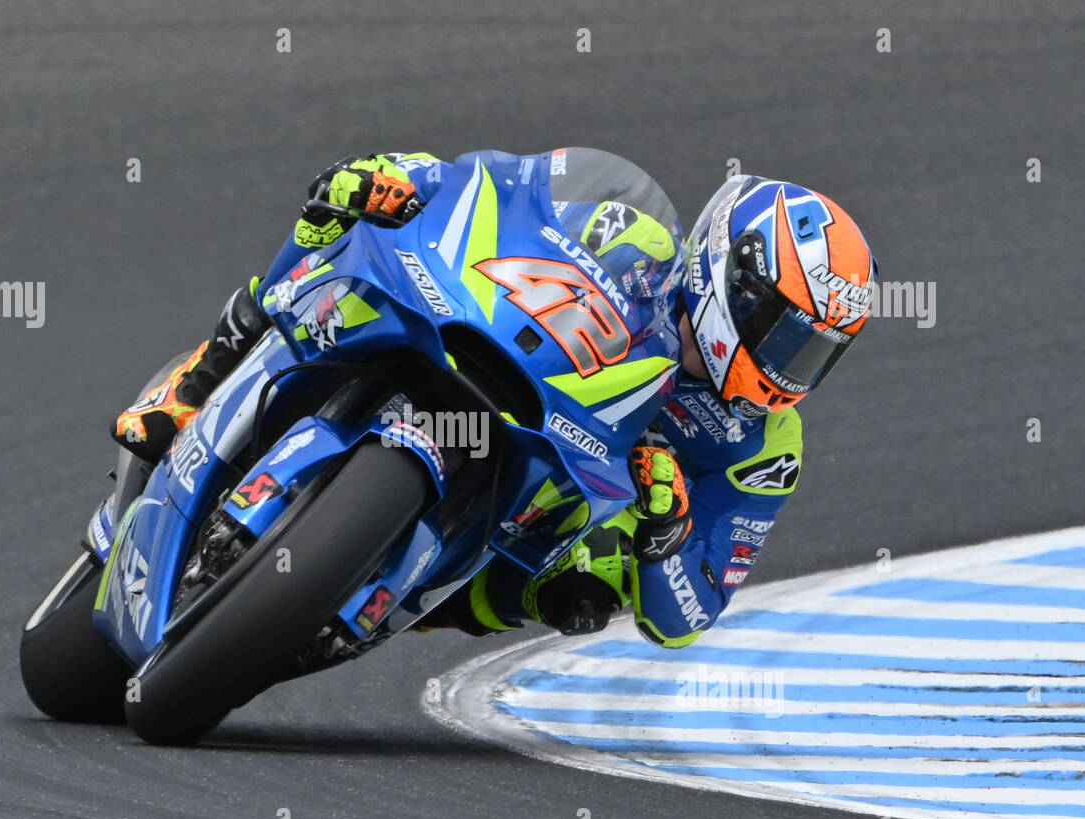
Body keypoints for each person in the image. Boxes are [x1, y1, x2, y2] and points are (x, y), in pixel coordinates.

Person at [112, 150, 877, 647]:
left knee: (582, 590)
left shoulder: (766, 447)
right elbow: (502, 185)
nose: (791, 368)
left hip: (552, 515)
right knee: (346, 209)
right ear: (730, 278)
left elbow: (690, 612)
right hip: (509, 368)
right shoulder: (635, 238)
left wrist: (667, 526)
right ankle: (204, 379)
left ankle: (394, 579)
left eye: (818, 351)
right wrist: (411, 179)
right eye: (786, 335)